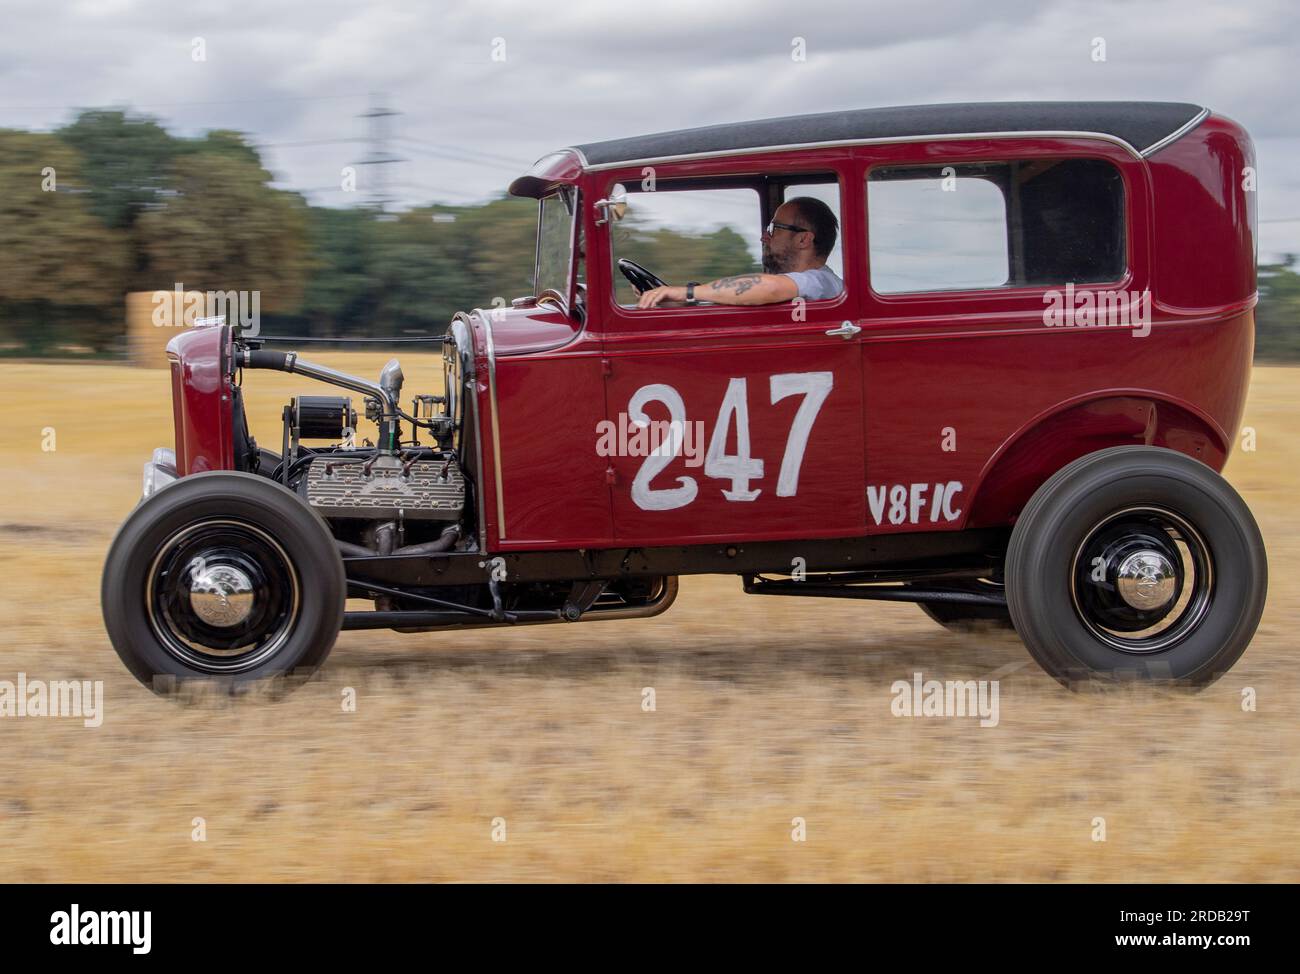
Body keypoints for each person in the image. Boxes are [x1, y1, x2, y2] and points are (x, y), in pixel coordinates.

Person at [636, 196, 843, 308]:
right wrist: (671, 300)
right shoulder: (800, 284)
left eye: (774, 229)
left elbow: (769, 288)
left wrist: (687, 292)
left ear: (803, 239)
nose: (764, 237)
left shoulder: (822, 283)